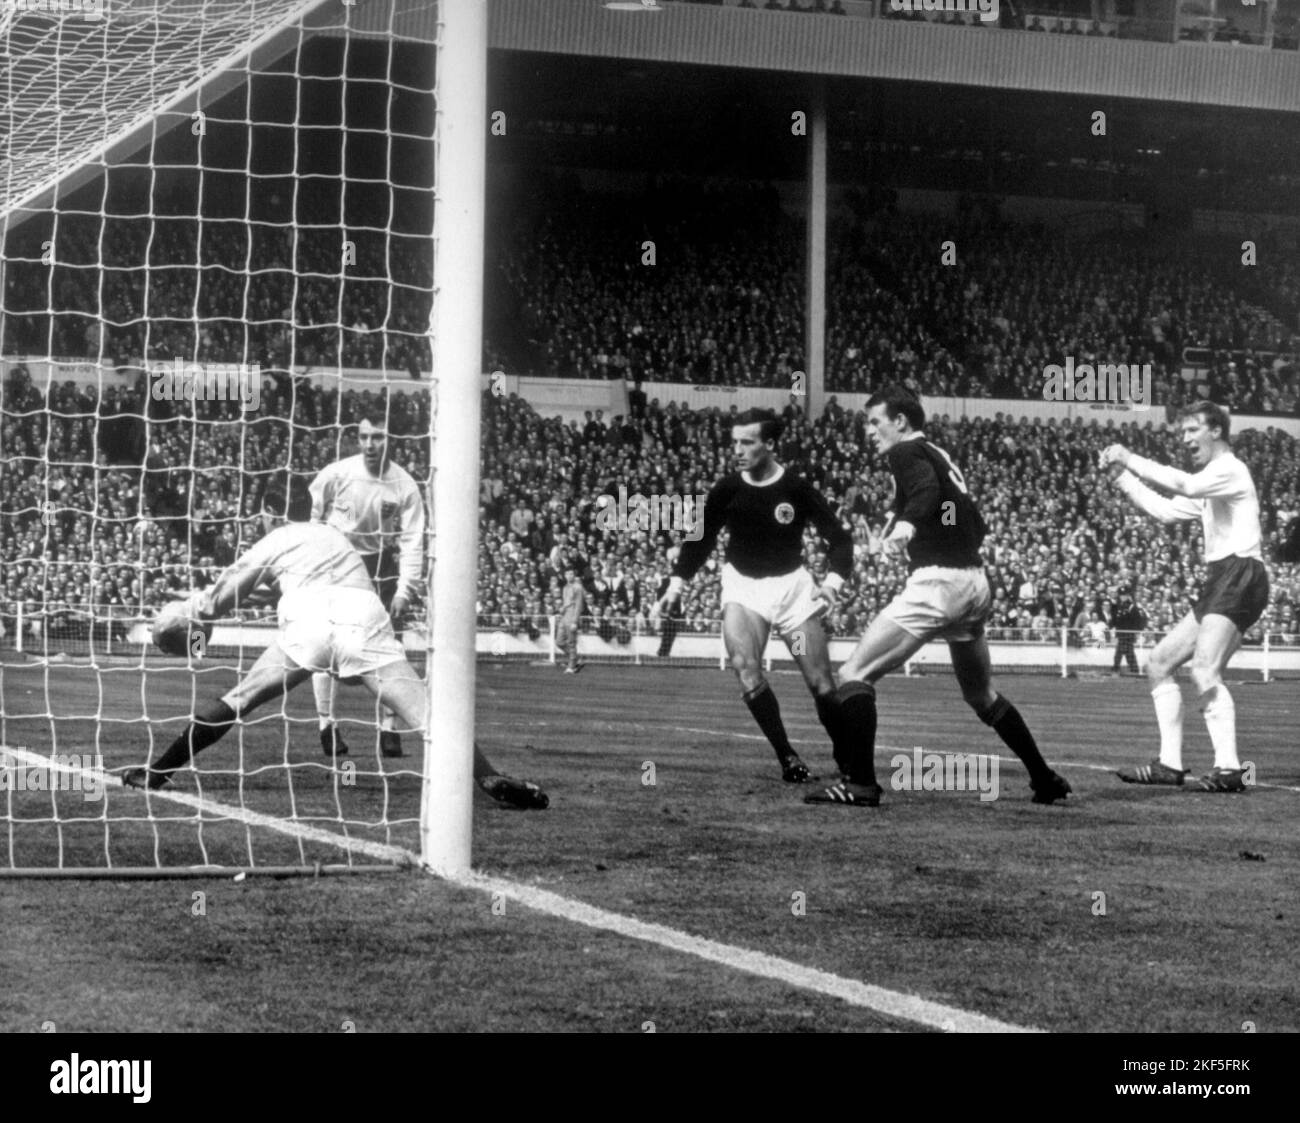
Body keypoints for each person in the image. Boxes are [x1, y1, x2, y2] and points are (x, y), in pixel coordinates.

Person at [122, 481, 548, 809]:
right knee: (427, 715)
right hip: (361, 615)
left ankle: (158, 772)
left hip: (308, 619)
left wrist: (184, 622)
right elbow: (268, 591)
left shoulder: (272, 541)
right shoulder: (330, 538)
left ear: (271, 514)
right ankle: (488, 776)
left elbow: (216, 602)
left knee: (239, 699)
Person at [807, 386, 1070, 808]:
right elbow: (972, 521)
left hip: (939, 584)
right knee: (981, 695)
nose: (869, 431)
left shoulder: (905, 454)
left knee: (854, 672)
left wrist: (909, 526)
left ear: (900, 422)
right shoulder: (938, 454)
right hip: (974, 583)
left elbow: (925, 493)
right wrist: (911, 522)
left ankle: (859, 784)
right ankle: (1044, 777)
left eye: (875, 422)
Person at [654, 409, 853, 783]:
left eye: (747, 442)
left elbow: (840, 540)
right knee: (746, 669)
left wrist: (833, 584)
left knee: (822, 686)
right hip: (744, 591)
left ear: (770, 444)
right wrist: (677, 582)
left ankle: (849, 761)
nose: (738, 450)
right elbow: (699, 539)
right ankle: (788, 758)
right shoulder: (727, 490)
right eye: (735, 442)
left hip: (792, 595)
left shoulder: (796, 489)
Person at [1101, 401, 1269, 792]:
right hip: (1223, 576)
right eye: (1182, 432)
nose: (1185, 438)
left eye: (1193, 429)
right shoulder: (1213, 480)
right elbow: (1165, 510)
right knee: (1159, 663)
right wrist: (1121, 476)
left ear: (1216, 430)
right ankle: (1169, 765)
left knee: (1204, 668)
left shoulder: (1229, 470)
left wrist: (1130, 456)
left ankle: (1230, 770)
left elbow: (1186, 486)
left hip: (1240, 571)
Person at [309, 413, 424, 758]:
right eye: (364, 438)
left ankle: (390, 730)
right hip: (338, 561)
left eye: (378, 437)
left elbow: (413, 540)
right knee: (326, 644)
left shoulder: (404, 485)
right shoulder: (338, 472)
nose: (370, 445)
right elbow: (313, 509)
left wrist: (405, 589)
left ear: (391, 440)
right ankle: (326, 726)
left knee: (390, 648)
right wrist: (317, 547)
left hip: (381, 566)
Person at [1110, 587, 1146, 674]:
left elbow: (1138, 620)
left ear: (1128, 596)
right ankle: (1133, 670)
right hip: (1121, 634)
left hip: (1128, 634)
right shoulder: (1118, 606)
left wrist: (1135, 631)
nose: (1122, 597)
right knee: (1127, 653)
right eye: (1121, 595)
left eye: (1124, 595)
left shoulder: (1131, 607)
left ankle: (1118, 668)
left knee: (1123, 653)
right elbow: (1115, 620)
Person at [558, 565, 586, 673]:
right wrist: (562, 608)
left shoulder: (577, 587)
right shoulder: (565, 587)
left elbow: (579, 605)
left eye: (571, 574)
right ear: (565, 575)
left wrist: (575, 621)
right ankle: (575, 659)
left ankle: (572, 666)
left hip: (572, 615)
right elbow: (567, 602)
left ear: (574, 575)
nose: (569, 576)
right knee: (559, 641)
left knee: (571, 642)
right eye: (567, 574)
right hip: (565, 615)